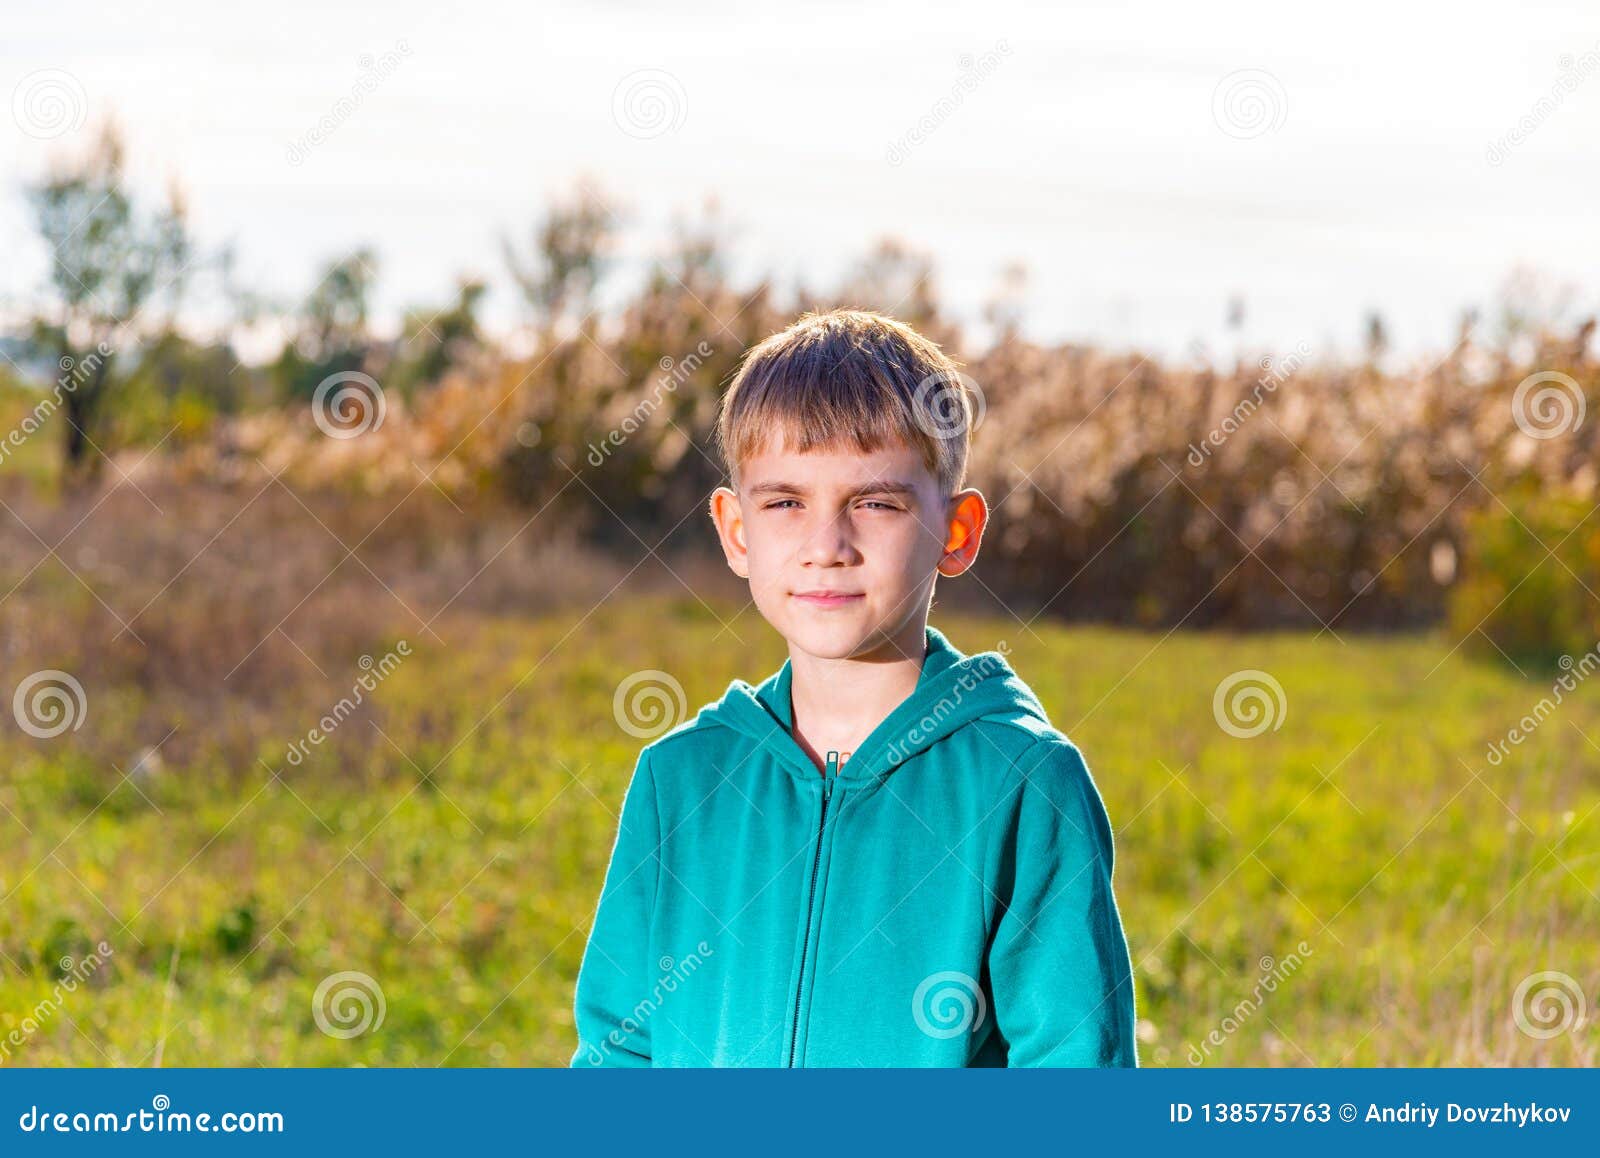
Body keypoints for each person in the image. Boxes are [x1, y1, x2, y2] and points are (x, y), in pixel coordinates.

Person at [570, 308, 1137, 1067]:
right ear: (737, 532)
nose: (826, 547)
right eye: (785, 503)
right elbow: (619, 1055)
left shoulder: (1024, 784)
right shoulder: (680, 781)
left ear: (957, 532)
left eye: (875, 503)